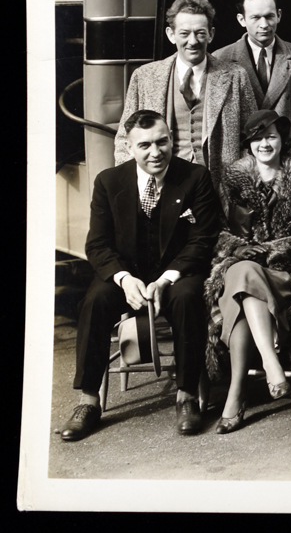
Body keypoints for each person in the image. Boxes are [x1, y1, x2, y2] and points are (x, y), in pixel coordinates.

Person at [60, 110, 221, 441]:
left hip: (177, 273)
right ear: (129, 147)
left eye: (163, 142)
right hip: (127, 274)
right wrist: (122, 278)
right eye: (145, 145)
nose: (156, 152)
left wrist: (166, 279)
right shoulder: (108, 182)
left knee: (188, 296)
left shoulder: (195, 177)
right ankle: (88, 401)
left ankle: (187, 395)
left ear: (172, 140)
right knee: (95, 299)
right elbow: (98, 245)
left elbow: (202, 239)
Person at [202, 110, 291, 433]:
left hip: (288, 273)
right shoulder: (233, 179)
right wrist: (238, 247)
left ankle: (237, 393)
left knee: (244, 280)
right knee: (243, 274)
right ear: (248, 143)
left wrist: (274, 249)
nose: (264, 143)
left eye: (270, 136)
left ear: (283, 139)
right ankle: (270, 363)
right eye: (257, 138)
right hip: (241, 270)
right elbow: (218, 229)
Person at [114, 0, 257, 190]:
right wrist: (139, 186)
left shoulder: (235, 76)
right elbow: (124, 140)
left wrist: (239, 180)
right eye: (184, 33)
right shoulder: (144, 77)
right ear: (171, 34)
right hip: (162, 187)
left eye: (200, 33)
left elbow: (251, 138)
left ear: (211, 34)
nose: (193, 41)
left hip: (217, 190)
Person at [213, 0, 291, 155]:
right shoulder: (221, 58)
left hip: (287, 154)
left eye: (269, 17)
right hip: (245, 157)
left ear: (279, 16)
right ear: (241, 19)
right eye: (255, 18)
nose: (264, 25)